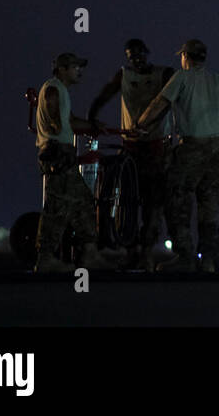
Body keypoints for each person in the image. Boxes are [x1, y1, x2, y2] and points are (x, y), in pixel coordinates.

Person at [132, 39, 219, 273]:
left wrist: (140, 125)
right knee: (210, 206)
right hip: (216, 150)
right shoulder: (218, 81)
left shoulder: (182, 78)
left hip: (191, 149)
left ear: (186, 56)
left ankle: (184, 255)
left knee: (177, 202)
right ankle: (207, 260)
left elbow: (160, 104)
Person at [87, 38, 176, 270]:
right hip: (131, 145)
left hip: (156, 145)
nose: (136, 59)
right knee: (127, 200)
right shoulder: (124, 75)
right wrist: (92, 115)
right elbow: (104, 95)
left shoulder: (163, 74)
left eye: (139, 54)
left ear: (147, 54)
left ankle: (146, 250)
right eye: (131, 56)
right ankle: (131, 248)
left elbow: (178, 98)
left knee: (153, 201)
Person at [34, 52, 109, 272]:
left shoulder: (61, 90)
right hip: (57, 152)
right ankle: (45, 258)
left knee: (84, 203)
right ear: (62, 69)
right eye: (75, 67)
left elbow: (71, 121)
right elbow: (58, 121)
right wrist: (59, 132)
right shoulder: (53, 88)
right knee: (57, 207)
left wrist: (94, 126)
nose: (80, 71)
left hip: (61, 152)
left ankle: (90, 254)